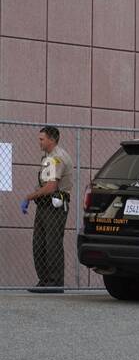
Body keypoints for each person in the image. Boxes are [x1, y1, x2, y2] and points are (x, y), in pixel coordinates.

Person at [21, 125, 72, 294]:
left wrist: (29, 197)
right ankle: (44, 281)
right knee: (39, 243)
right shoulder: (47, 157)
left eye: (42, 139)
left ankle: (54, 283)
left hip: (54, 205)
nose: (39, 142)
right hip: (44, 205)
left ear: (51, 139)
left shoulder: (57, 157)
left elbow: (50, 187)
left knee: (52, 243)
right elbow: (44, 182)